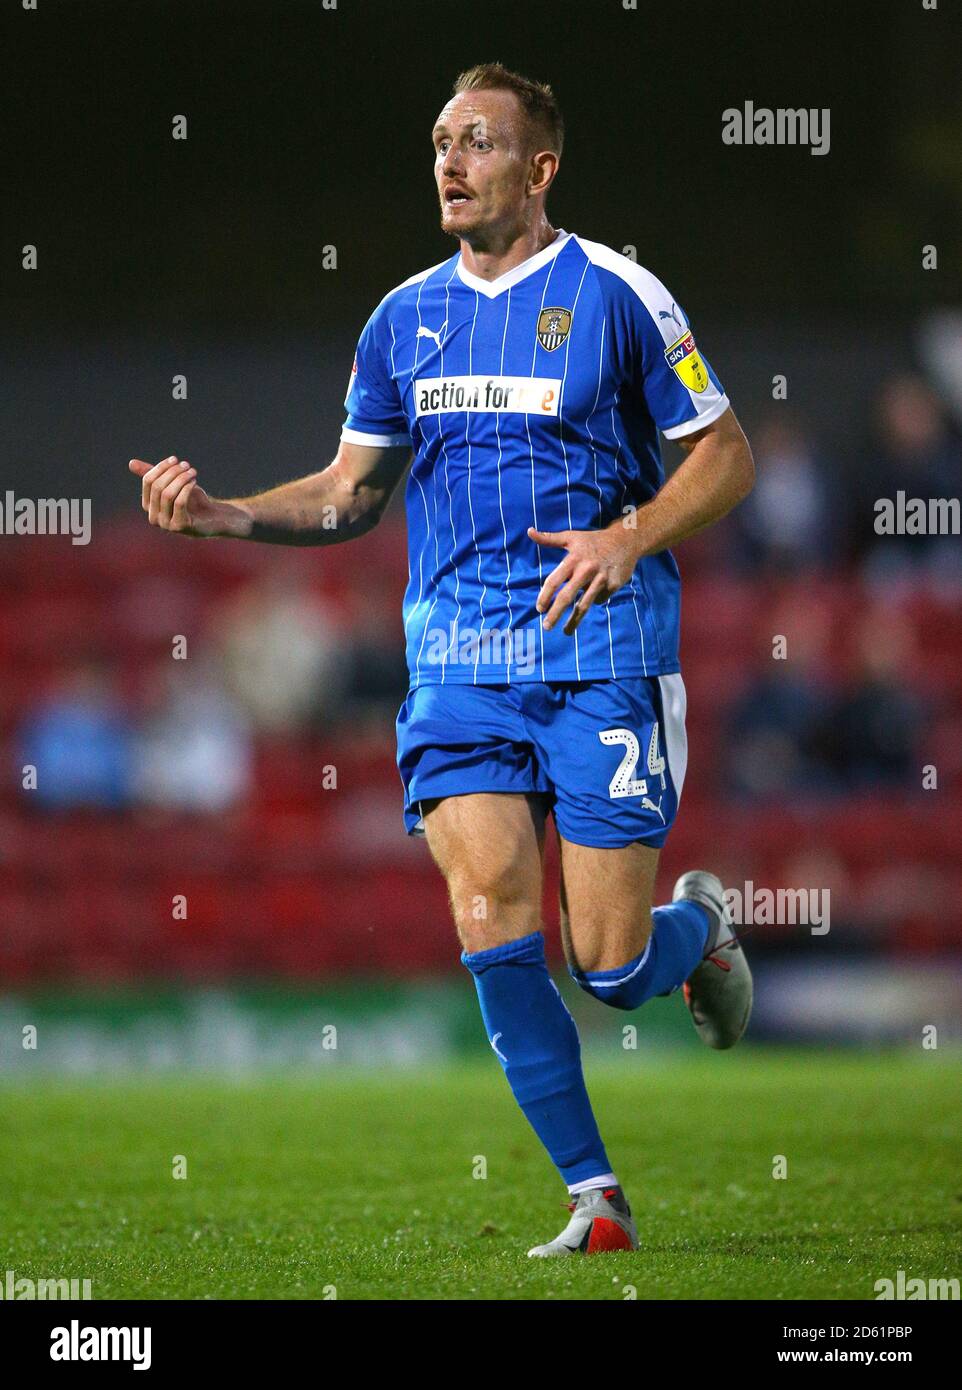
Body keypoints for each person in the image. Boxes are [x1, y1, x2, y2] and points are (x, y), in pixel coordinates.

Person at [128, 62, 755, 1257]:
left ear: (540, 167)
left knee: (609, 965)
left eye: (478, 141)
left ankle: (699, 936)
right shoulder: (400, 317)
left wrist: (629, 534)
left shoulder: (619, 295)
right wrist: (226, 516)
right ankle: (594, 1198)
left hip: (600, 656)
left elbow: (724, 454)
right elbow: (348, 491)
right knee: (494, 924)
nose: (451, 162)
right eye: (438, 141)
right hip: (458, 664)